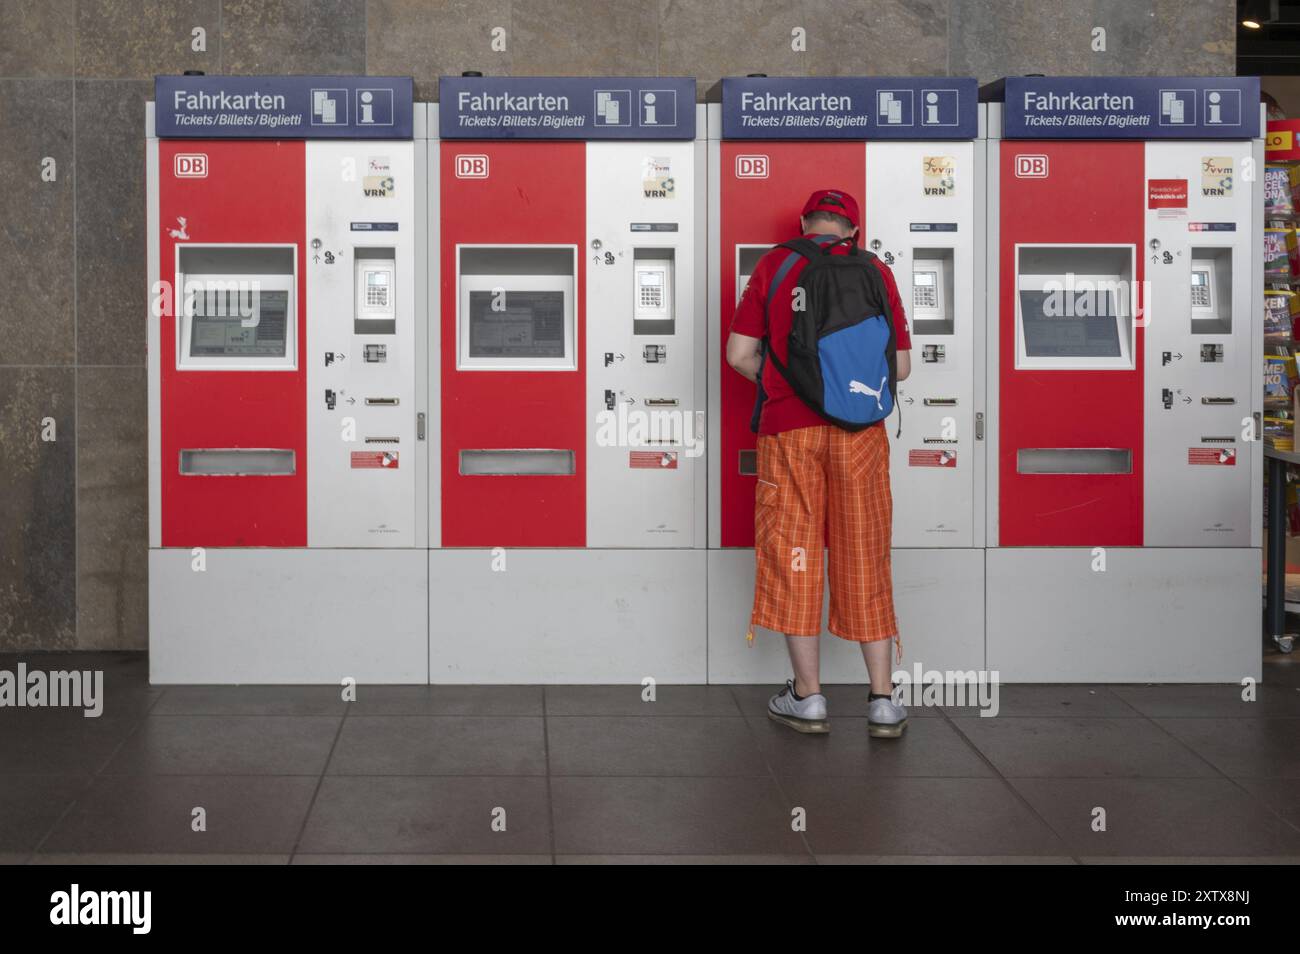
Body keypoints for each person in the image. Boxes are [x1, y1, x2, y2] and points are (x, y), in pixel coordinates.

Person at [725, 189, 912, 738]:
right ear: (852, 230)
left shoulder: (775, 264)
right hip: (861, 436)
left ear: (806, 221)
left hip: (790, 432)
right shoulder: (876, 269)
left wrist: (787, 383)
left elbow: (739, 354)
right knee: (864, 552)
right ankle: (882, 700)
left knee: (794, 553)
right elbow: (899, 368)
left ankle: (808, 700)